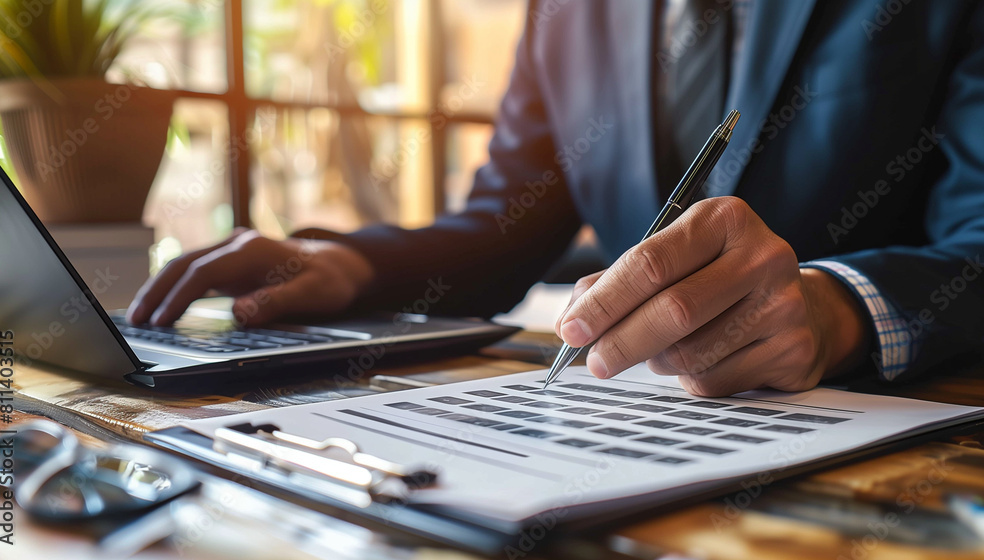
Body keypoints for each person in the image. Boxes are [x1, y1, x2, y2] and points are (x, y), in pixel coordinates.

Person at [128, 0, 984, 397]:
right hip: (634, 431)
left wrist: (836, 312)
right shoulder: (567, 11)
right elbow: (506, 223)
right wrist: (351, 264)